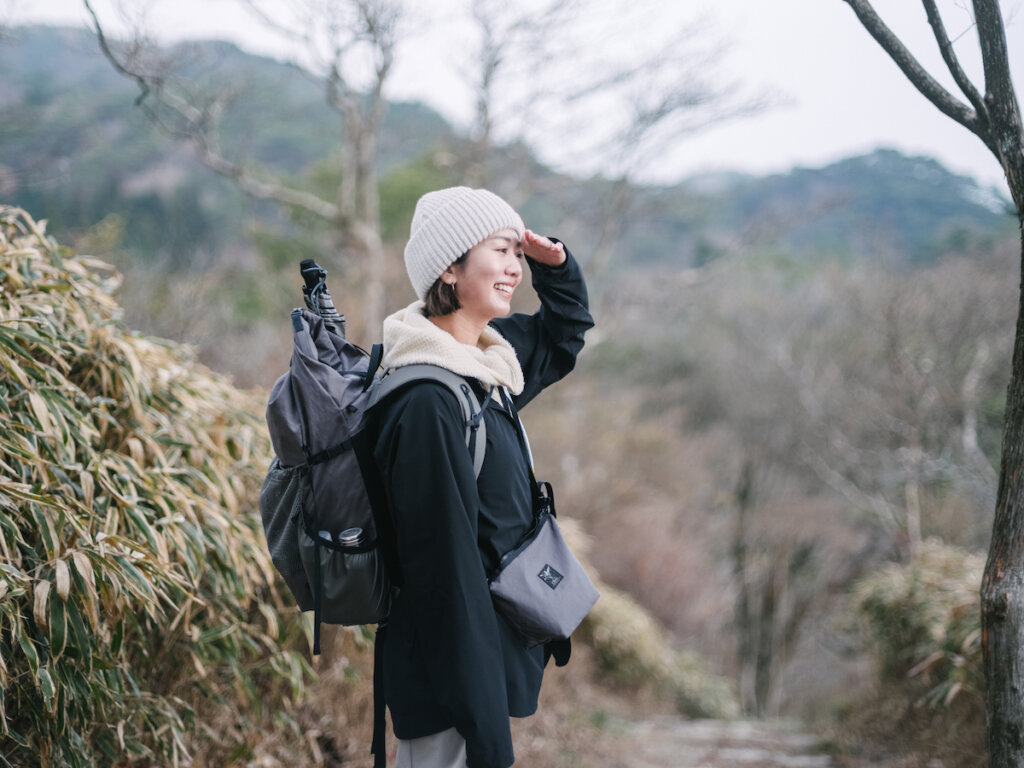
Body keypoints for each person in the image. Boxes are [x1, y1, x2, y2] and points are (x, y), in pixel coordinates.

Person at [371, 186, 594, 768]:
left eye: (517, 253)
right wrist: (485, 727)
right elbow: (444, 576)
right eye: (501, 250)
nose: (515, 267)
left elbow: (564, 335)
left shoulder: (487, 367)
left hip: (480, 670)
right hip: (448, 685)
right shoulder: (428, 398)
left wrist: (555, 266)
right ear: (449, 267)